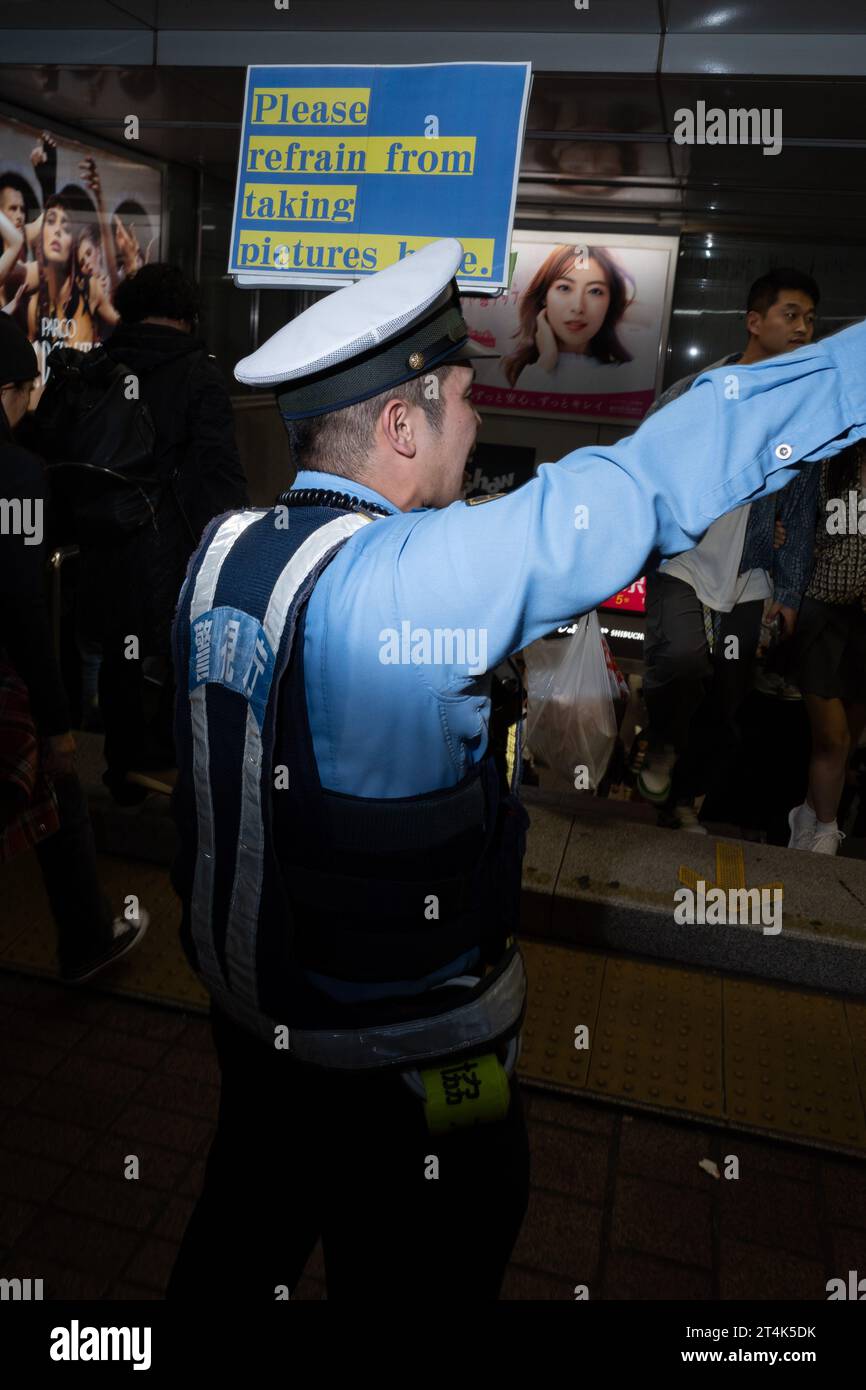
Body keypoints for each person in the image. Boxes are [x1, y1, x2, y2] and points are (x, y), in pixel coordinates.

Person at [165, 238, 866, 1303]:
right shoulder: (418, 580)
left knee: (236, 1244)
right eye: (458, 395)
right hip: (405, 1072)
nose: (480, 417)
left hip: (254, 1038)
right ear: (401, 424)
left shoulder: (220, 550)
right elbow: (652, 474)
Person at [635, 268, 821, 831]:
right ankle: (662, 744)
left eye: (810, 320)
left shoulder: (799, 411)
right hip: (684, 560)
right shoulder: (698, 393)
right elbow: (644, 460)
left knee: (727, 696)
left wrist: (788, 592)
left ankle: (686, 797)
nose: (803, 329)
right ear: (754, 321)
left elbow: (804, 507)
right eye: (791, 315)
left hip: (750, 575)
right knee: (685, 660)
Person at [0, 314, 147, 980]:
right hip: (6, 681)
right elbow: (23, 601)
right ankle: (88, 939)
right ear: (15, 388)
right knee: (58, 790)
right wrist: (58, 722)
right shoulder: (19, 476)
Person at [75, 263, 249, 803]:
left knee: (119, 653)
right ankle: (172, 773)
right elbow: (218, 469)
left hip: (102, 540)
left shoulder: (99, 364)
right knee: (178, 655)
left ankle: (121, 769)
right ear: (185, 313)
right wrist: (235, 537)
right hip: (171, 542)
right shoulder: (199, 372)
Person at [785, 440, 866, 854]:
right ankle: (828, 831)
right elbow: (796, 530)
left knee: (847, 738)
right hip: (821, 612)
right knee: (832, 738)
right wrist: (784, 596)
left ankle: (807, 814)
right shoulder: (830, 460)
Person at [501, 243, 636, 389]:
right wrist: (546, 361)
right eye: (564, 288)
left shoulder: (626, 374)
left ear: (610, 302)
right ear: (544, 297)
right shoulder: (510, 370)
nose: (578, 307)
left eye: (595, 291)